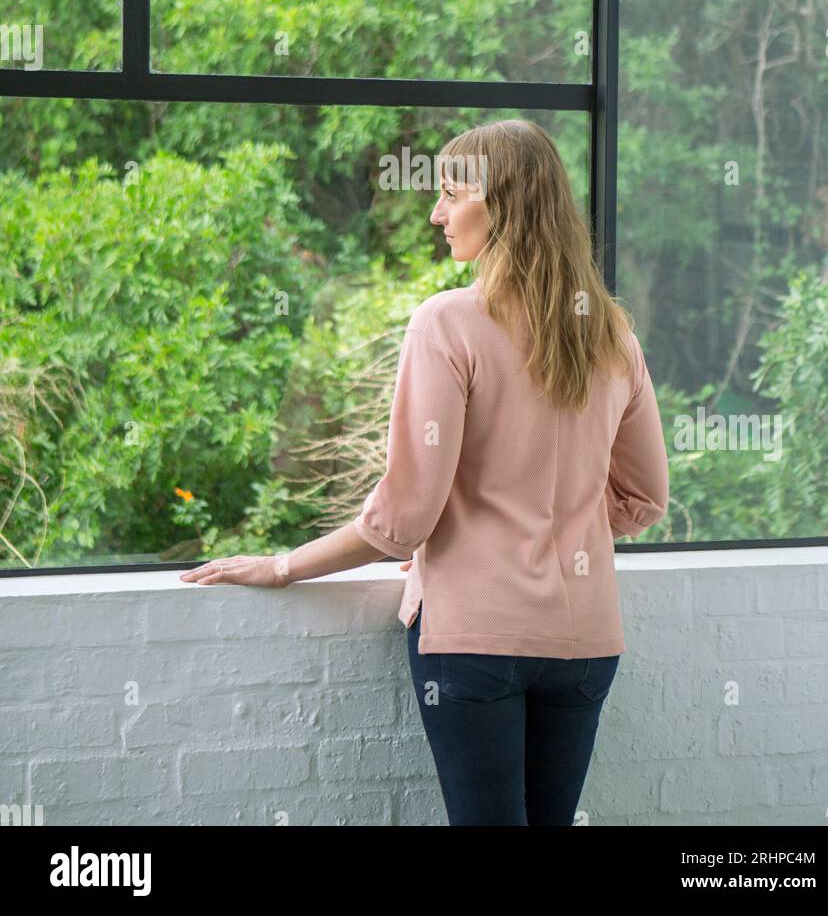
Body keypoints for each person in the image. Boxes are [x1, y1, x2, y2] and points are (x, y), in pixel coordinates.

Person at [181, 119, 669, 827]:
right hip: (586, 645)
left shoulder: (447, 324)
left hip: (474, 642)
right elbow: (644, 499)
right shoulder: (612, 336)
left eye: (450, 195)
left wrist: (283, 565)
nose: (437, 214)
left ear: (501, 205)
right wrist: (562, 515)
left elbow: (405, 516)